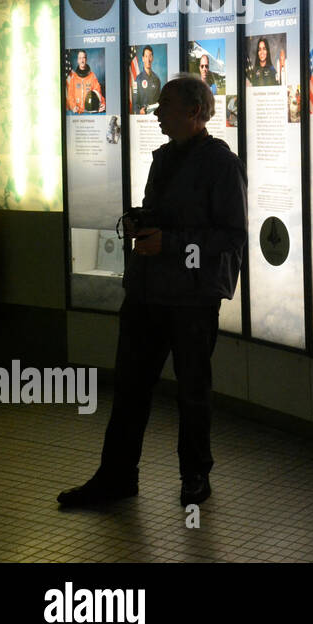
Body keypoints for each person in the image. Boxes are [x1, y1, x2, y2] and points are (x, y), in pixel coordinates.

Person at [58, 75, 247, 510]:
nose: (156, 111)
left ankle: (195, 476)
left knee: (192, 391)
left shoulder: (223, 165)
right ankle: (117, 477)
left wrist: (173, 243)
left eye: (165, 104)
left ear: (195, 113)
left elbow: (232, 236)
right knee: (129, 389)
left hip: (192, 300)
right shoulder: (163, 159)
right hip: (146, 293)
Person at [66, 49, 105, 113]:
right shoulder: (73, 77)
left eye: (83, 58)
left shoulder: (92, 76)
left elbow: (98, 93)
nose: (82, 60)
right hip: (77, 112)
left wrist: (103, 104)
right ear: (77, 60)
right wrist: (73, 106)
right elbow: (70, 95)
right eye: (80, 58)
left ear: (86, 60)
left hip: (89, 112)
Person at [132, 45, 161, 114]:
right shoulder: (137, 80)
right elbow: (134, 104)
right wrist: (139, 111)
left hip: (153, 118)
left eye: (150, 56)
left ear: (152, 58)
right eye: (146, 56)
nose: (148, 60)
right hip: (141, 119)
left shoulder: (156, 79)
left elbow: (159, 101)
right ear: (143, 58)